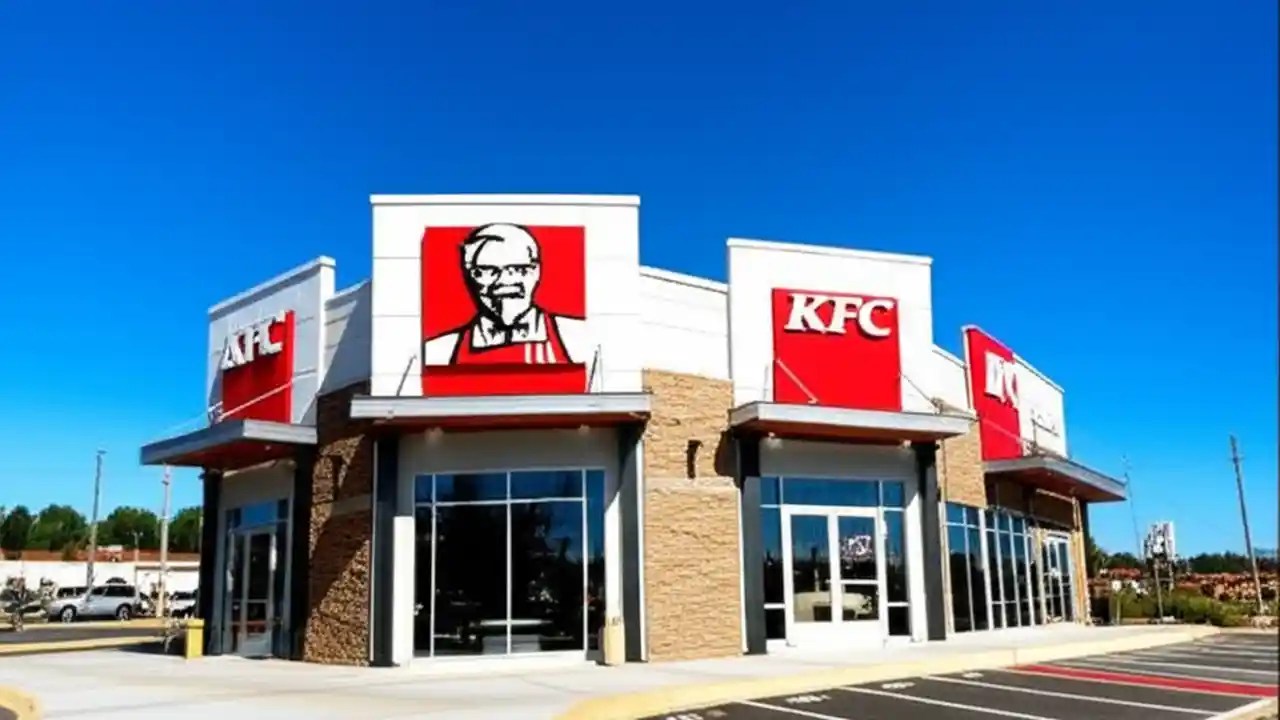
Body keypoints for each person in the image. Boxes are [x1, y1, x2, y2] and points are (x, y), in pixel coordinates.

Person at [424, 223, 589, 367]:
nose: (504, 281)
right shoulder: (439, 351)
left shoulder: (577, 336)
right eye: (488, 271)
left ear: (537, 272)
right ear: (469, 276)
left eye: (518, 269)